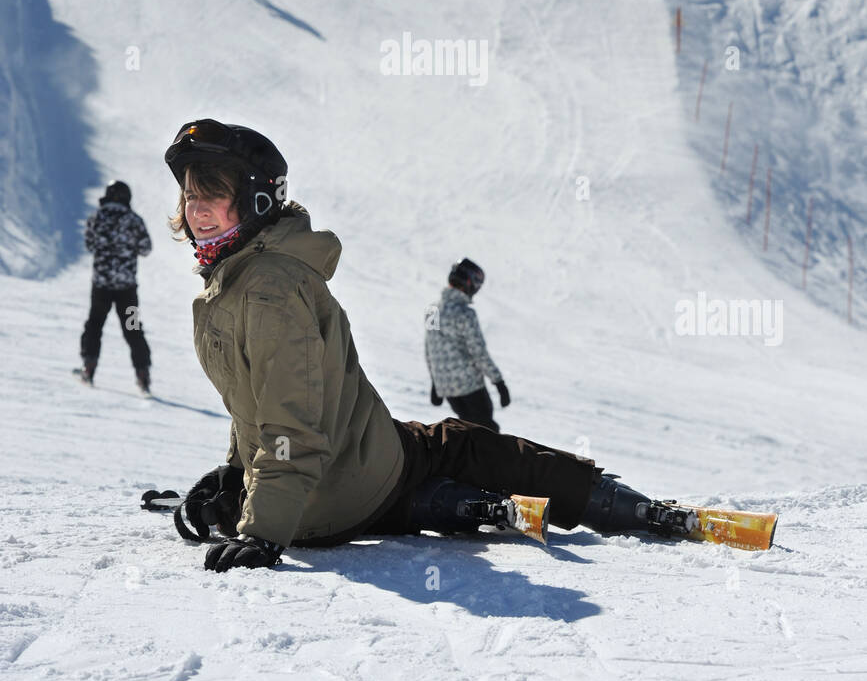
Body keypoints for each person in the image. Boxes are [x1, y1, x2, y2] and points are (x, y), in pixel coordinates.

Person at [163, 118, 700, 573]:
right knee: (461, 444)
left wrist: (244, 482)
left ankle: (448, 504)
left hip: (307, 504)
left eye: (214, 194)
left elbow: (260, 405)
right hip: (333, 493)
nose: (198, 208)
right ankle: (629, 509)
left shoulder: (240, 284)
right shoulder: (267, 284)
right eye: (191, 194)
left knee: (406, 467)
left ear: (255, 198)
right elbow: (285, 421)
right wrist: (259, 522)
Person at [80, 181, 152, 392]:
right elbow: (146, 248)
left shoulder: (97, 217)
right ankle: (143, 376)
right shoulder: (134, 220)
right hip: (126, 290)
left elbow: (89, 245)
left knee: (95, 326)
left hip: (101, 287)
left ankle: (89, 368)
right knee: (133, 328)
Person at [425, 258, 509, 431]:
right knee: (488, 433)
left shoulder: (433, 310)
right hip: (470, 387)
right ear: (469, 283)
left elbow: (431, 349)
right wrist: (499, 382)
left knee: (469, 431)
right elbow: (478, 352)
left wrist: (436, 382)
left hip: (448, 389)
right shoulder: (464, 313)